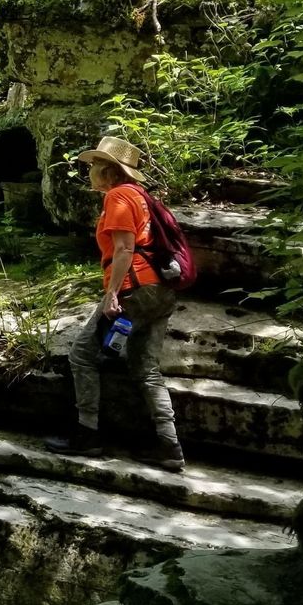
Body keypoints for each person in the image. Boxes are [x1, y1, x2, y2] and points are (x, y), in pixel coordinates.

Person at [45, 136, 184, 471]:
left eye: (94, 165)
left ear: (108, 172)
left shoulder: (120, 196)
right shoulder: (142, 196)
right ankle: (169, 445)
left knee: (82, 354)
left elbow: (124, 249)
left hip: (135, 289)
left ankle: (87, 434)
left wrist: (112, 293)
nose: (89, 170)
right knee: (145, 367)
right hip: (162, 291)